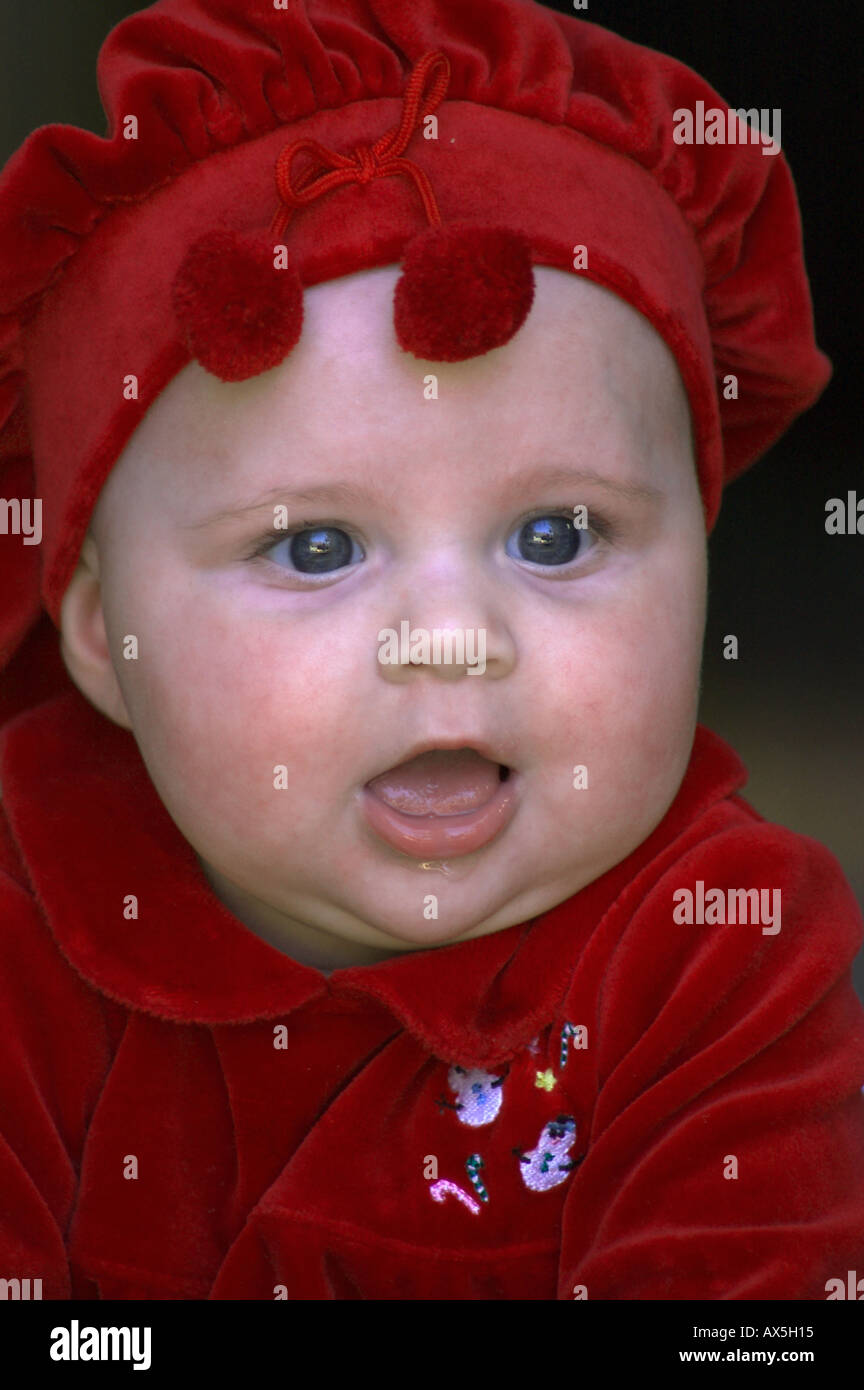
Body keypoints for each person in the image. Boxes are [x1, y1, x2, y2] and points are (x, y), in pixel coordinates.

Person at [0, 0, 861, 1301]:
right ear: (101, 639)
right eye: (315, 549)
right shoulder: (25, 945)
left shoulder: (722, 956)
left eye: (558, 532)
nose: (450, 639)